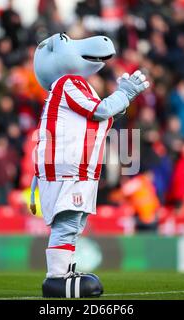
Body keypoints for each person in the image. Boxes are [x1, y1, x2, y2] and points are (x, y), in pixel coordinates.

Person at [32, 33, 149, 298]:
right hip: (69, 169)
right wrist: (126, 93)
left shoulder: (70, 87)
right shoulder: (67, 82)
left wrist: (122, 98)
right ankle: (56, 278)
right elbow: (99, 112)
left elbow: (100, 115)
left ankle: (66, 272)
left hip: (75, 169)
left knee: (74, 223)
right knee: (68, 223)